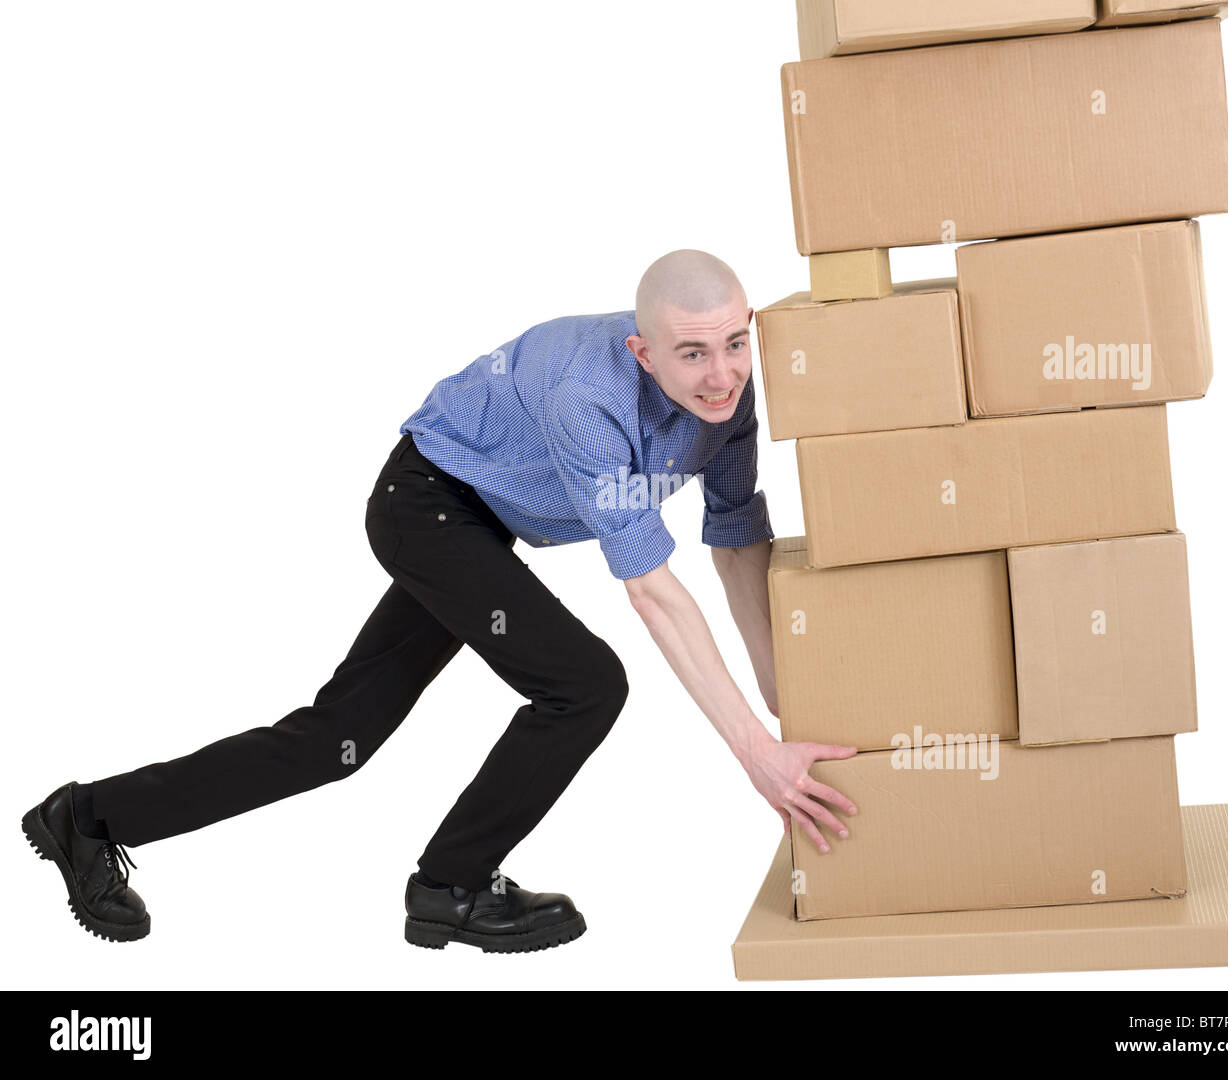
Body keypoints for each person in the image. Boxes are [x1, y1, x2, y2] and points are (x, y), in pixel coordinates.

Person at [22, 249, 859, 954]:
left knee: (336, 740)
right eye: (692, 355)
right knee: (586, 684)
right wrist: (754, 756)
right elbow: (652, 592)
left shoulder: (735, 397)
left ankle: (89, 817)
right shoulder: (588, 396)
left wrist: (786, 699)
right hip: (429, 504)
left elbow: (738, 541)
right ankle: (452, 885)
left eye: (735, 345)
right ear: (643, 352)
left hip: (477, 524)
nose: (721, 377)